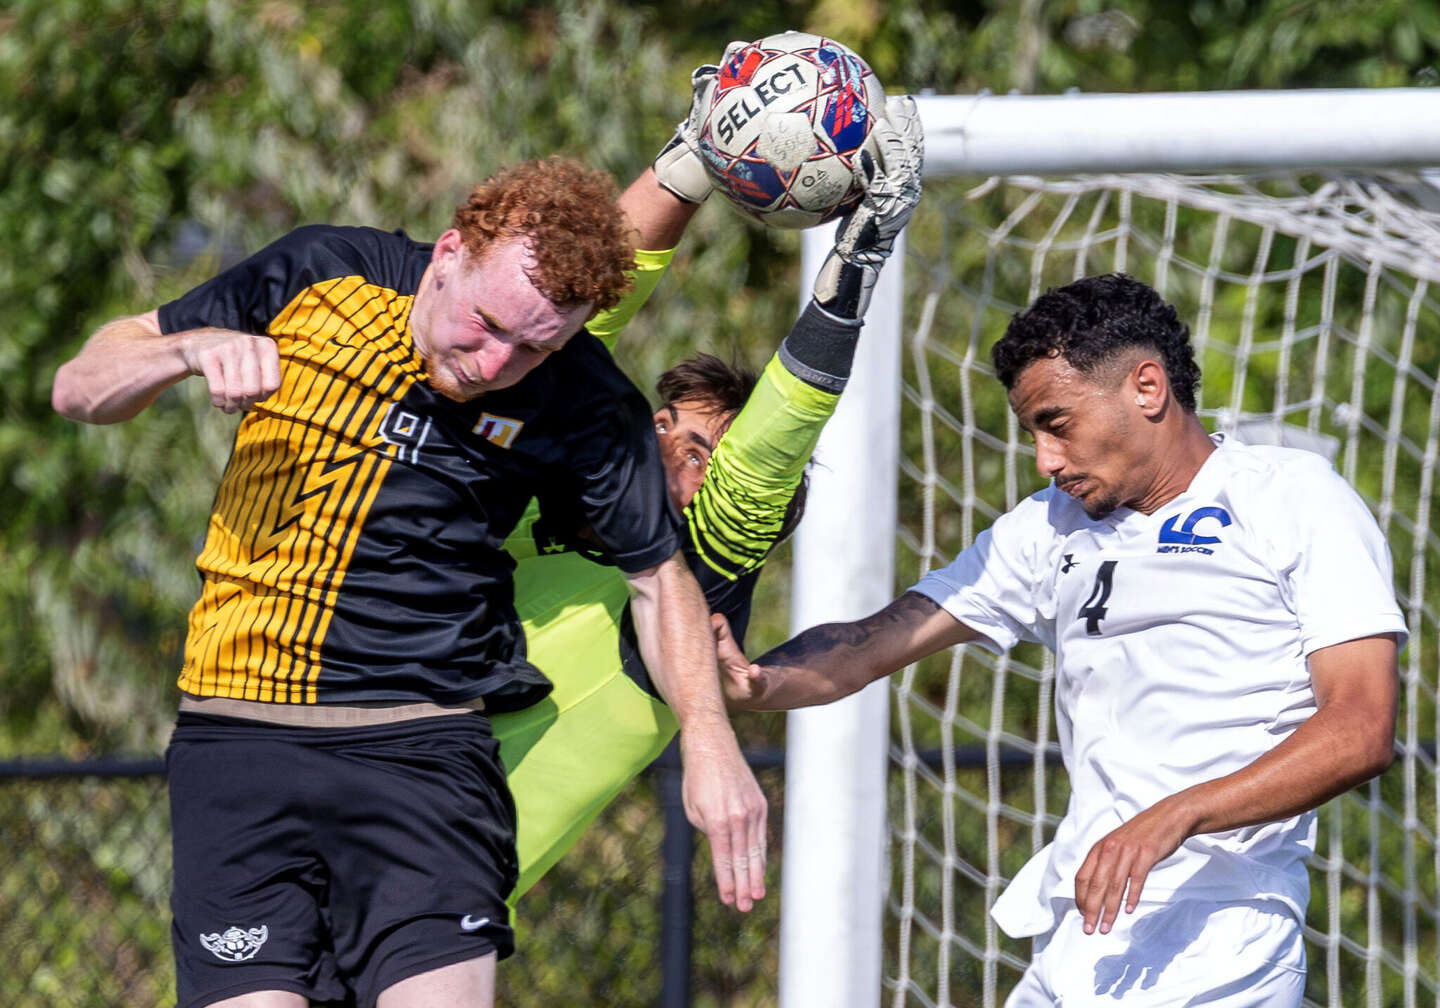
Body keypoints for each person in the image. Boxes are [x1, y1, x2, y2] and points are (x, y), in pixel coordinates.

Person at [50, 157, 764, 1008]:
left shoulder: (584, 401)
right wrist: (182, 350)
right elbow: (78, 387)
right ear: (449, 252)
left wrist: (711, 744)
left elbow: (659, 579)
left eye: (536, 345)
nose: (497, 360)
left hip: (424, 758)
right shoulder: (324, 273)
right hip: (239, 742)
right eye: (488, 323)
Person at [720, 273, 1406, 1006]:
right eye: (1034, 434)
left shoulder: (1292, 497)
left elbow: (1361, 729)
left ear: (1147, 388)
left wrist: (1176, 814)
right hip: (1077, 943)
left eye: (1057, 423)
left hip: (1222, 949)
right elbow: (868, 644)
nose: (1045, 460)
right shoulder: (1049, 526)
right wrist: (748, 682)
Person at [497, 82, 925, 902]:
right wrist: (688, 162)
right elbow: (562, 325)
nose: (663, 446)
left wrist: (860, 260)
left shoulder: (682, 601)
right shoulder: (522, 506)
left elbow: (764, 456)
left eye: (699, 454)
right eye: (664, 424)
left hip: (422, 914)